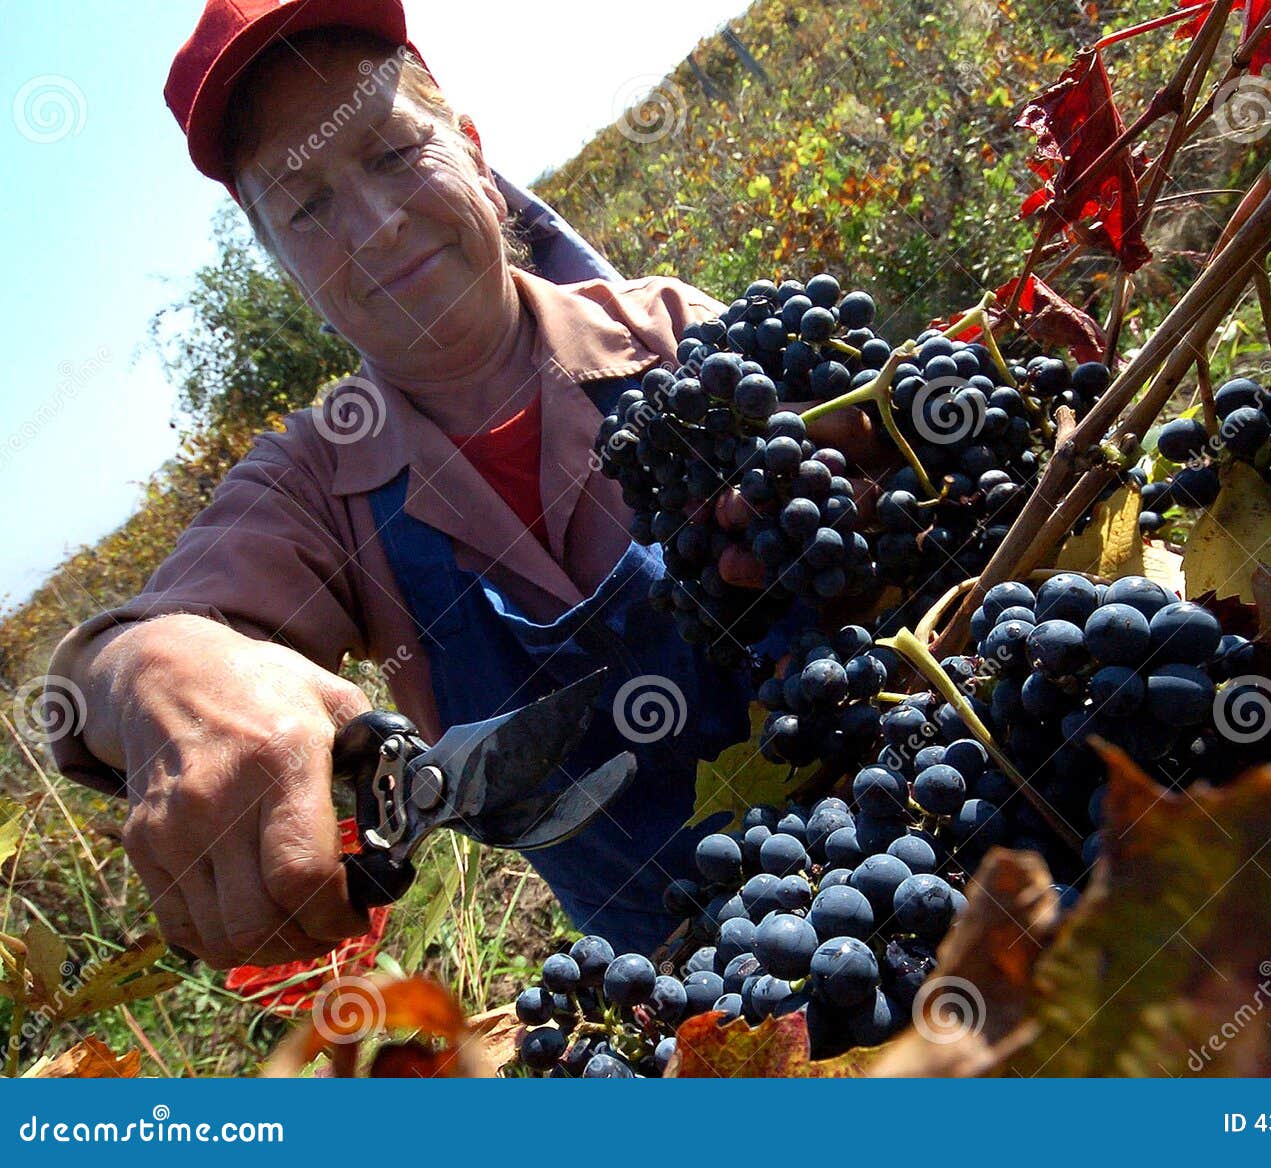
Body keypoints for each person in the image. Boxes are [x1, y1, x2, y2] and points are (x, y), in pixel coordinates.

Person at [44, 0, 871, 970]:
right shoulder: (318, 482)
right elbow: (111, 655)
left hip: (915, 846)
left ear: (472, 148)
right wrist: (161, 676)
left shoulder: (678, 339)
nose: (377, 225)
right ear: (280, 265)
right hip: (697, 1011)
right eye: (306, 207)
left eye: (393, 154)